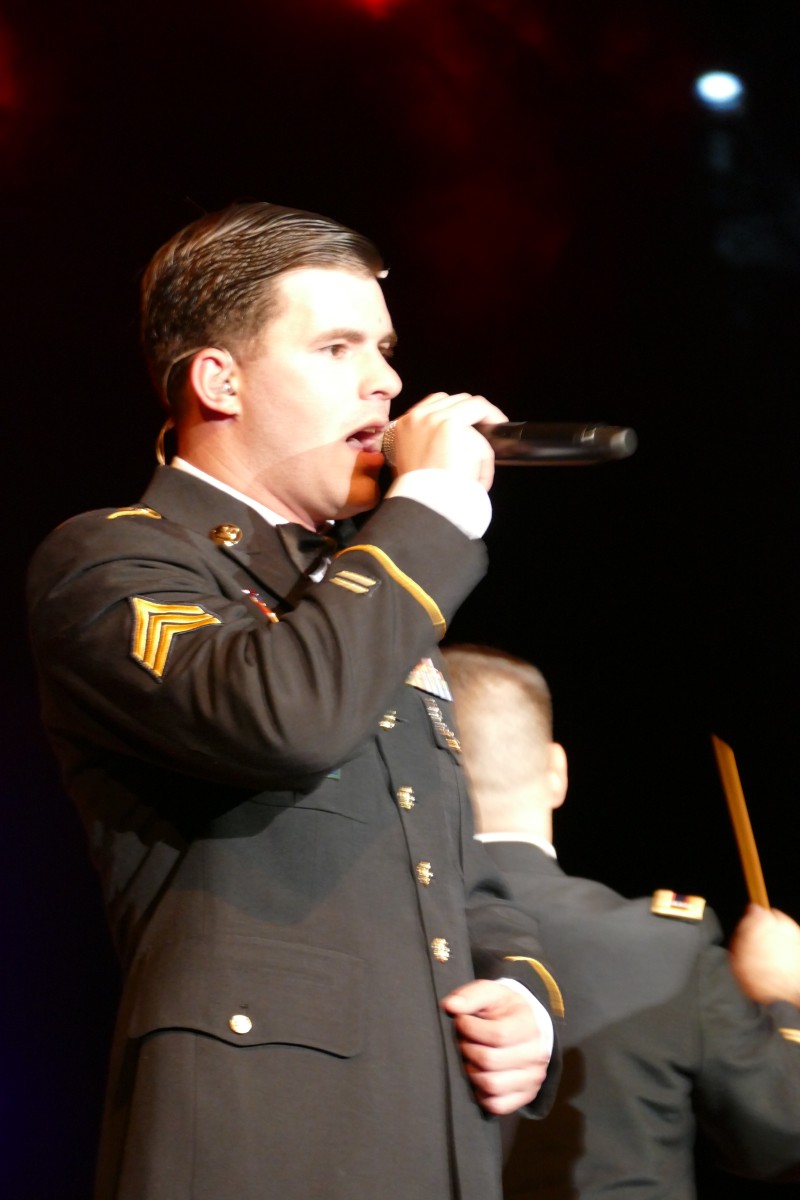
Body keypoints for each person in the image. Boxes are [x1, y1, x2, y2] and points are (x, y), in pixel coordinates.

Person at [26, 202, 564, 1200]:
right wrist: (433, 508)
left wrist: (525, 996)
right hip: (262, 1146)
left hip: (433, 1139)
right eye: (335, 347)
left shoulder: (362, 588)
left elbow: (460, 867)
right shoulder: (115, 558)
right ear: (216, 380)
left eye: (386, 348)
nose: (387, 382)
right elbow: (279, 718)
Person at [442, 643, 800, 1199]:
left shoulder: (367, 941)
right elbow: (781, 1139)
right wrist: (786, 995)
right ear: (557, 772)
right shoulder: (666, 945)